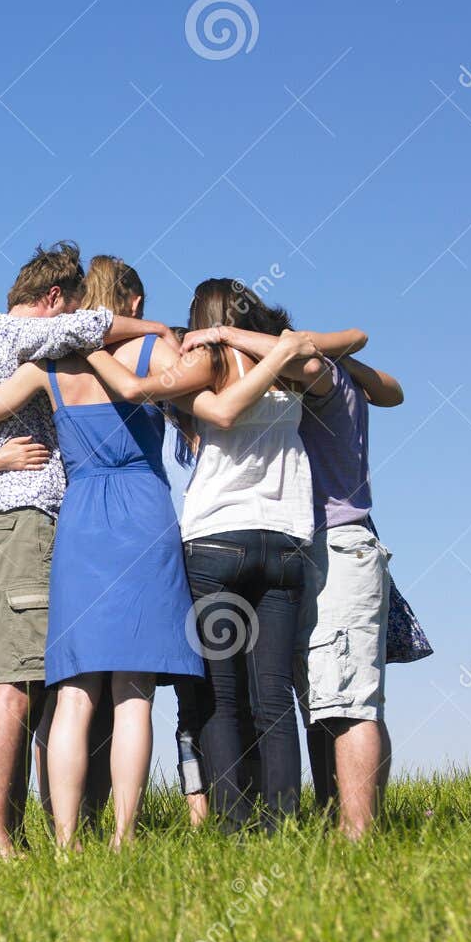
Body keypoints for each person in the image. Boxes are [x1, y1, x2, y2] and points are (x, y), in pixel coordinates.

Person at [0, 261, 202, 851]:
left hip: (81, 517)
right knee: (134, 692)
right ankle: (122, 835)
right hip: (144, 509)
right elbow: (199, 400)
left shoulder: (50, 368)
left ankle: (65, 843)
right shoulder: (152, 351)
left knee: (73, 691)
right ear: (129, 305)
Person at [83, 281, 334, 831]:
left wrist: (92, 345)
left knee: (220, 692)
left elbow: (146, 390)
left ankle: (230, 825)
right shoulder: (291, 365)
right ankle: (283, 824)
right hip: (286, 538)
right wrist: (275, 345)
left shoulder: (203, 363)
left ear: (202, 321)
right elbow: (342, 347)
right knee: (273, 692)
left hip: (216, 540)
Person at [180, 324, 404, 838]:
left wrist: (223, 334)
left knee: (346, 701)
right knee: (326, 696)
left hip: (336, 544)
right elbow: (392, 388)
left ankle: (356, 835)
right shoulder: (344, 375)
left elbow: (319, 352)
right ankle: (337, 819)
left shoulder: (317, 372)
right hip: (327, 545)